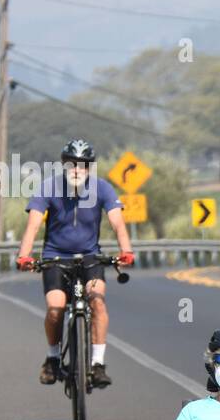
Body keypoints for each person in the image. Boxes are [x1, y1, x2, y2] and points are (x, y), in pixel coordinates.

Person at [15, 138, 134, 388]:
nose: (77, 169)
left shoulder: (103, 188)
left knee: (98, 304)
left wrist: (126, 251)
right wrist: (24, 255)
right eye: (72, 164)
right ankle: (52, 358)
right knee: (56, 309)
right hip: (55, 258)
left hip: (91, 257)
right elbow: (33, 225)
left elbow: (117, 222)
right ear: (63, 166)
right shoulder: (49, 187)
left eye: (83, 165)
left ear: (90, 167)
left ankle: (98, 364)